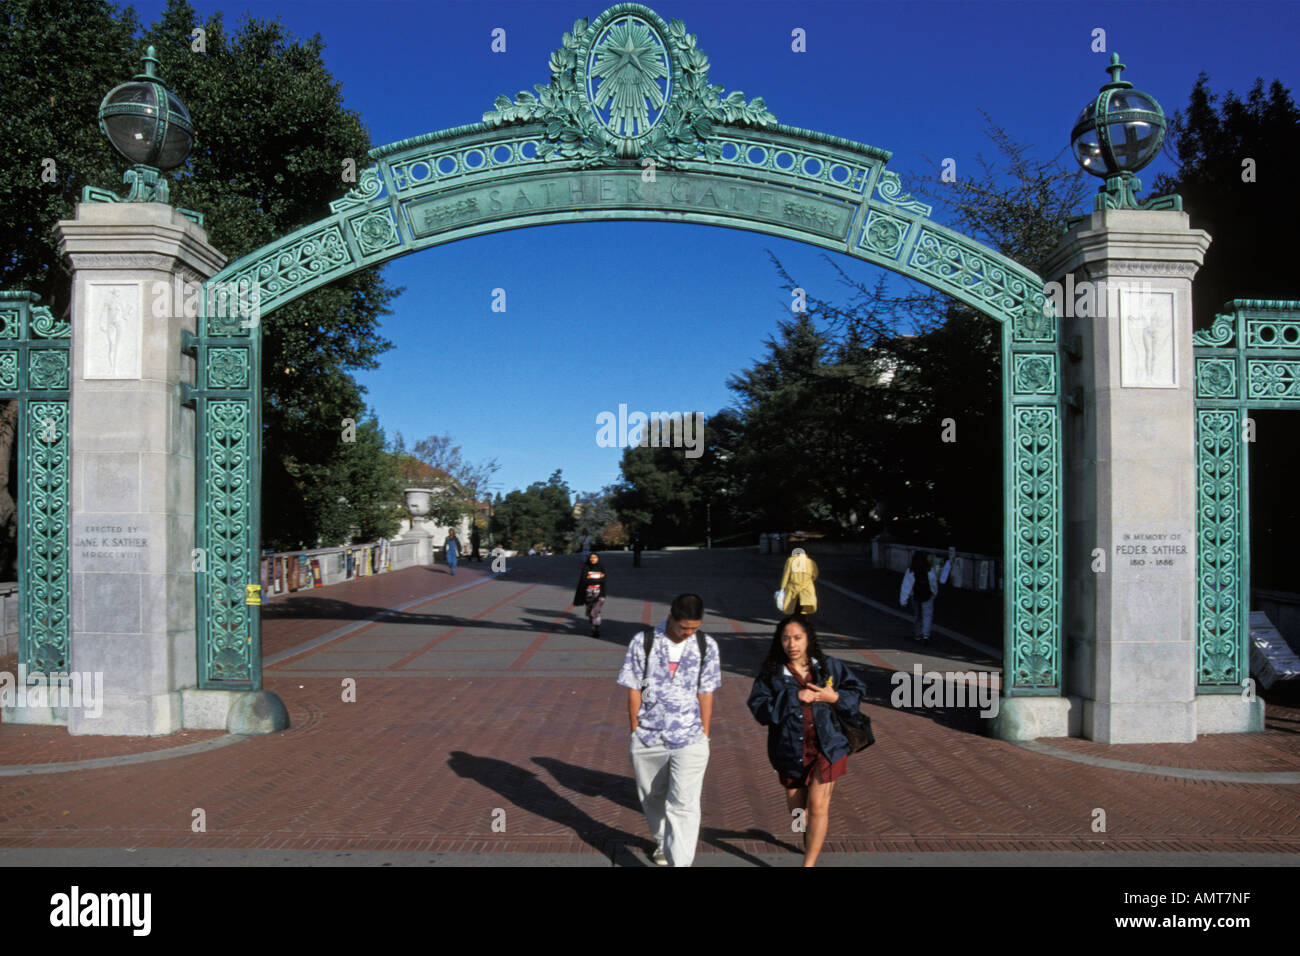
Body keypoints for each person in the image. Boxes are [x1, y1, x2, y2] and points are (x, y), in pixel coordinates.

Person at [747, 614, 867, 867]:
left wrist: (834, 698)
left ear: (808, 640)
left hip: (828, 745)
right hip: (789, 749)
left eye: (797, 638)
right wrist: (794, 698)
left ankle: (808, 864)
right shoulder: (772, 674)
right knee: (798, 811)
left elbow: (856, 691)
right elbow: (759, 708)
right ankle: (808, 835)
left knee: (817, 806)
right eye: (786, 638)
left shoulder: (827, 667)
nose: (792, 644)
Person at [615, 593, 721, 867]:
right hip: (649, 736)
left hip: (690, 736)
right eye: (683, 627)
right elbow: (633, 689)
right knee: (652, 797)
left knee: (684, 804)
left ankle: (680, 863)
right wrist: (635, 730)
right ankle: (662, 841)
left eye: (694, 628)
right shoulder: (644, 642)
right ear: (670, 617)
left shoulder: (706, 645)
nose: (688, 633)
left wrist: (705, 734)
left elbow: (706, 692)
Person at [899, 550, 951, 642]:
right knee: (927, 615)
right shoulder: (929, 570)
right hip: (927, 595)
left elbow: (906, 585)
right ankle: (926, 634)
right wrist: (934, 593)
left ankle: (918, 634)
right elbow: (933, 583)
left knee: (917, 616)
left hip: (915, 595)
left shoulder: (911, 570)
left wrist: (904, 600)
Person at [573, 551, 608, 637]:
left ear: (598, 558)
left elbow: (604, 581)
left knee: (596, 611)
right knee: (590, 610)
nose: (593, 559)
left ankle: (596, 628)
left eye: (595, 558)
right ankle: (592, 620)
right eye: (591, 558)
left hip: (599, 593)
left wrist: (593, 579)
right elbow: (585, 580)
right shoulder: (586, 567)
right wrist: (598, 579)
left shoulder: (601, 566)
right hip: (588, 593)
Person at [779, 547, 819, 615]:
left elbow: (786, 575)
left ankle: (793, 618)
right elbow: (815, 574)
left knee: (791, 605)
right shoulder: (810, 561)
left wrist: (782, 587)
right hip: (806, 587)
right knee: (806, 604)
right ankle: (804, 618)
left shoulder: (790, 560)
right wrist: (809, 581)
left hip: (793, 586)